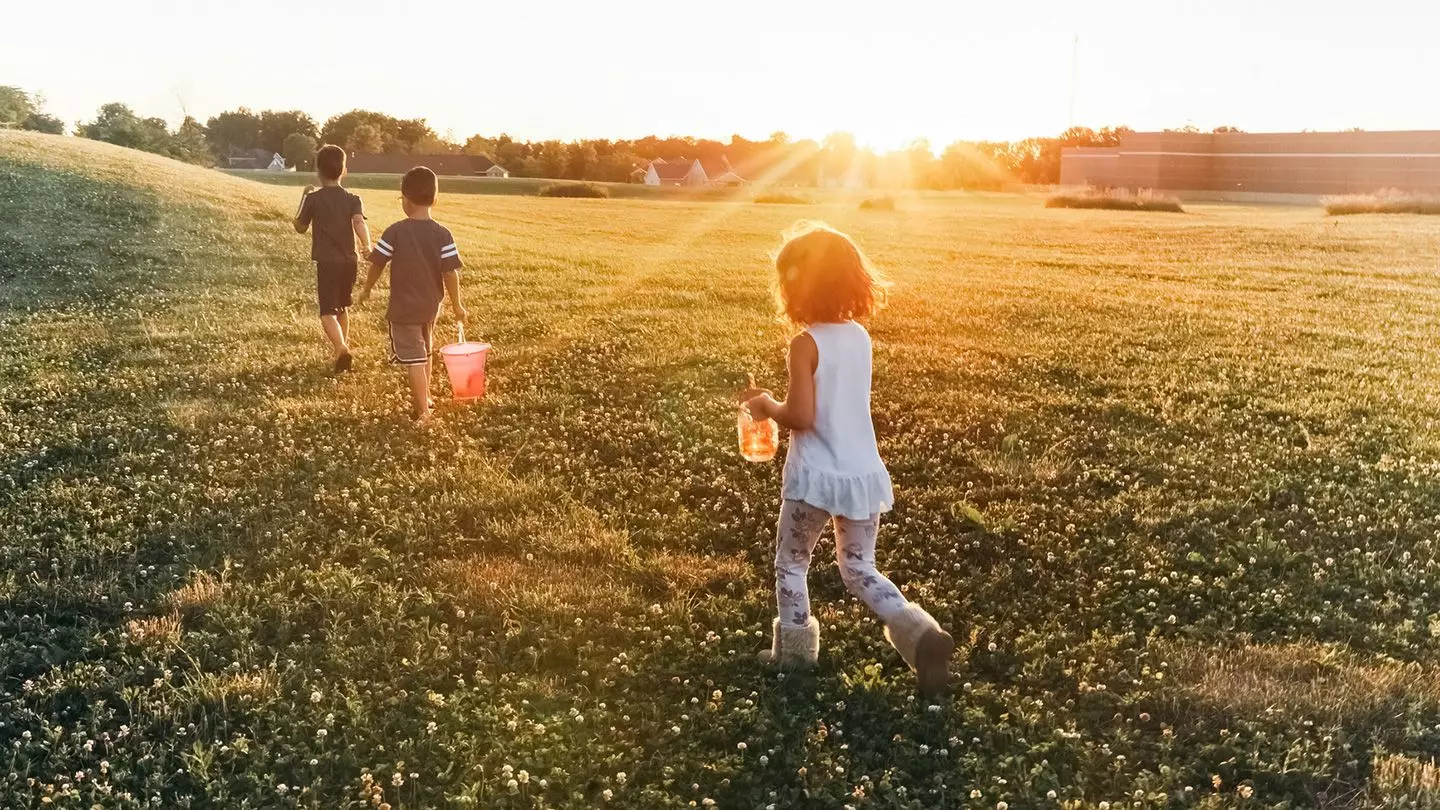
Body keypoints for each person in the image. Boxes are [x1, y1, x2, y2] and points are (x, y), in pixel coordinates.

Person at [742, 222, 955, 696]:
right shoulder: (859, 336)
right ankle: (923, 638)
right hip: (860, 474)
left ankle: (794, 660)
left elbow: (801, 415)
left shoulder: (805, 343)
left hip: (815, 477)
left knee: (792, 564)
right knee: (860, 569)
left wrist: (766, 406)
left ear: (794, 288)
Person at [356, 167, 468, 422]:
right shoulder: (443, 233)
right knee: (425, 351)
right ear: (435, 198)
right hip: (431, 306)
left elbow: (377, 263)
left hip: (404, 308)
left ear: (405, 198)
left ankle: (424, 411)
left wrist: (366, 289)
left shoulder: (395, 231)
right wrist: (458, 305)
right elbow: (451, 273)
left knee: (415, 358)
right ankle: (426, 397)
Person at [293, 144, 369, 372]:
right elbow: (359, 222)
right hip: (350, 261)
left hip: (328, 262)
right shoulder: (353, 198)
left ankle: (342, 348)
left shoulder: (314, 199)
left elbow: (300, 227)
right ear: (344, 170)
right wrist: (367, 244)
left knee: (327, 312)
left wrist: (303, 199)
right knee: (343, 306)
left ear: (318, 171)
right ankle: (340, 352)